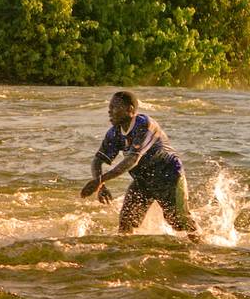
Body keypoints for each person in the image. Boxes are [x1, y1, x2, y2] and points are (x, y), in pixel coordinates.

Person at [80, 91, 199, 242]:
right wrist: (100, 184)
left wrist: (99, 181)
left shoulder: (145, 125)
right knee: (126, 222)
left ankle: (203, 246)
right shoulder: (114, 132)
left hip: (169, 176)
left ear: (130, 110)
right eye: (109, 107)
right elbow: (97, 161)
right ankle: (124, 256)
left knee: (179, 222)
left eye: (114, 107)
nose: (109, 111)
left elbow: (132, 160)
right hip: (143, 181)